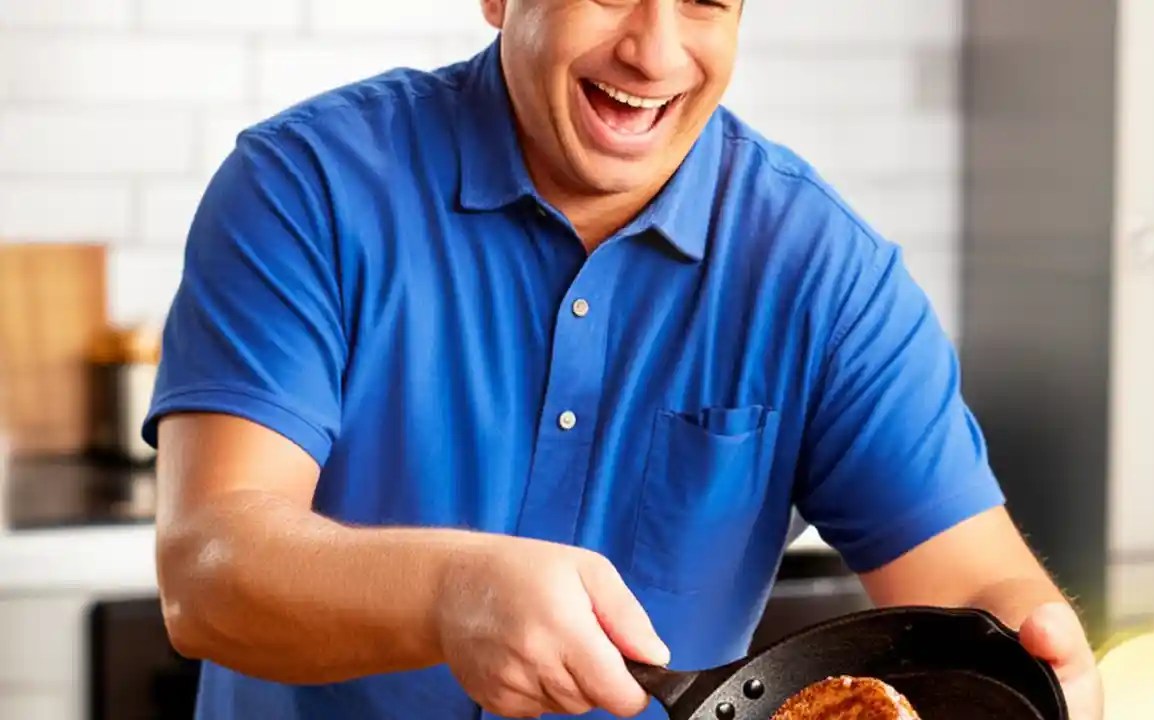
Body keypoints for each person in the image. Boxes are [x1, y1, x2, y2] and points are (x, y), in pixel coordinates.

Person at [146, 1, 1103, 719]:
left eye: (704, 1)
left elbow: (975, 589)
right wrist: (449, 592)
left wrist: (1041, 664)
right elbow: (209, 573)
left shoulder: (822, 271)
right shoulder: (303, 189)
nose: (653, 50)